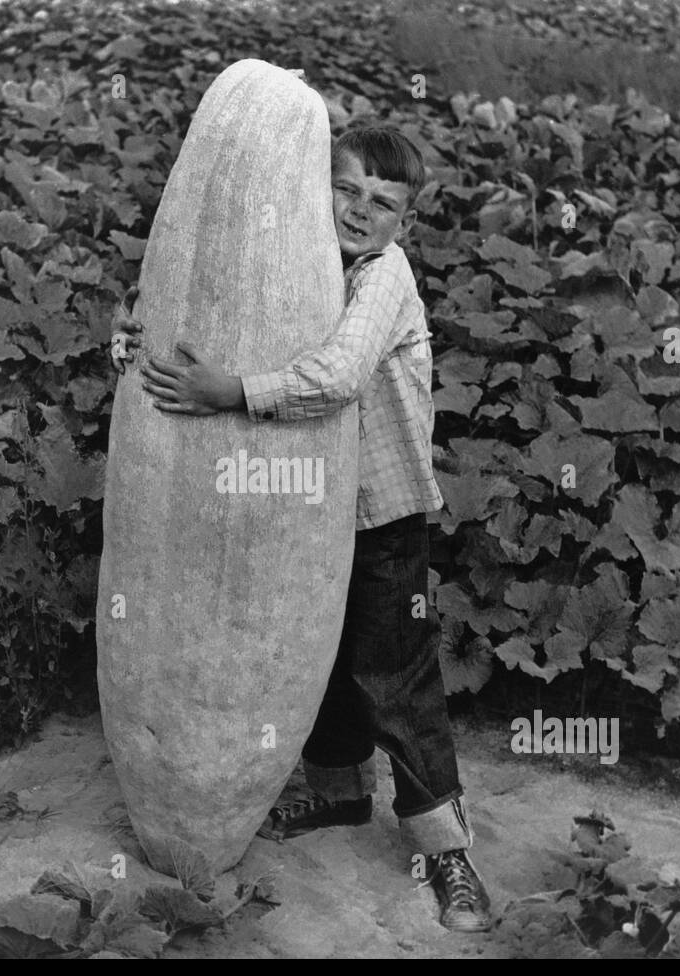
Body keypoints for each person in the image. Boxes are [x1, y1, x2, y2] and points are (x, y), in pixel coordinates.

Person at [109, 126, 491, 932]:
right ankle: (342, 795)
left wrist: (228, 392)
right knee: (313, 652)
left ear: (406, 224)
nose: (359, 212)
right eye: (346, 190)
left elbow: (339, 375)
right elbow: (207, 317)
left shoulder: (385, 278)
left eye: (381, 204)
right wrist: (133, 338)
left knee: (394, 675)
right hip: (308, 511)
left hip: (382, 512)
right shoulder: (304, 261)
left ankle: (448, 852)